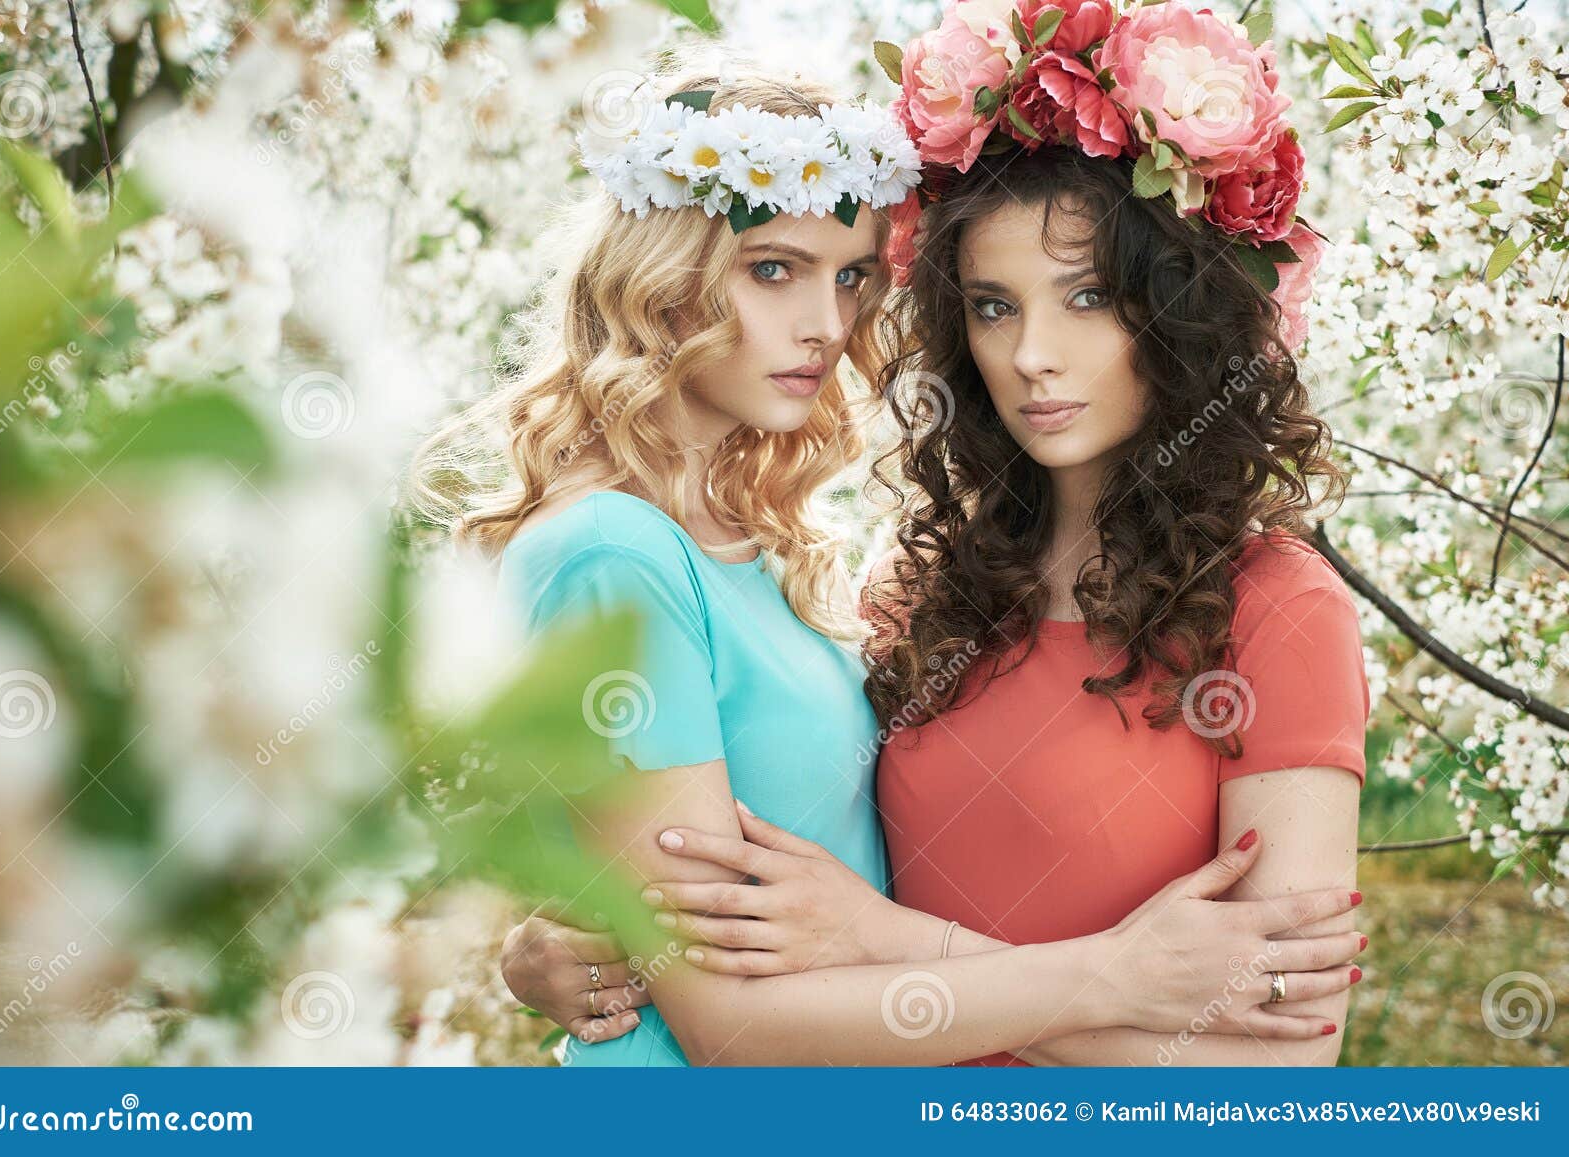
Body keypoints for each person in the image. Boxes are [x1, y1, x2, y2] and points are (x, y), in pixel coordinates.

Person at [484, 41, 1367, 1068]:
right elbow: (727, 991)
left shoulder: (1275, 609)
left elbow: (1279, 1069)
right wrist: (574, 940)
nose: (1031, 352)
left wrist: (880, 935)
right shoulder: (919, 597)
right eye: (993, 305)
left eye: (1085, 295)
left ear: (1177, 307)